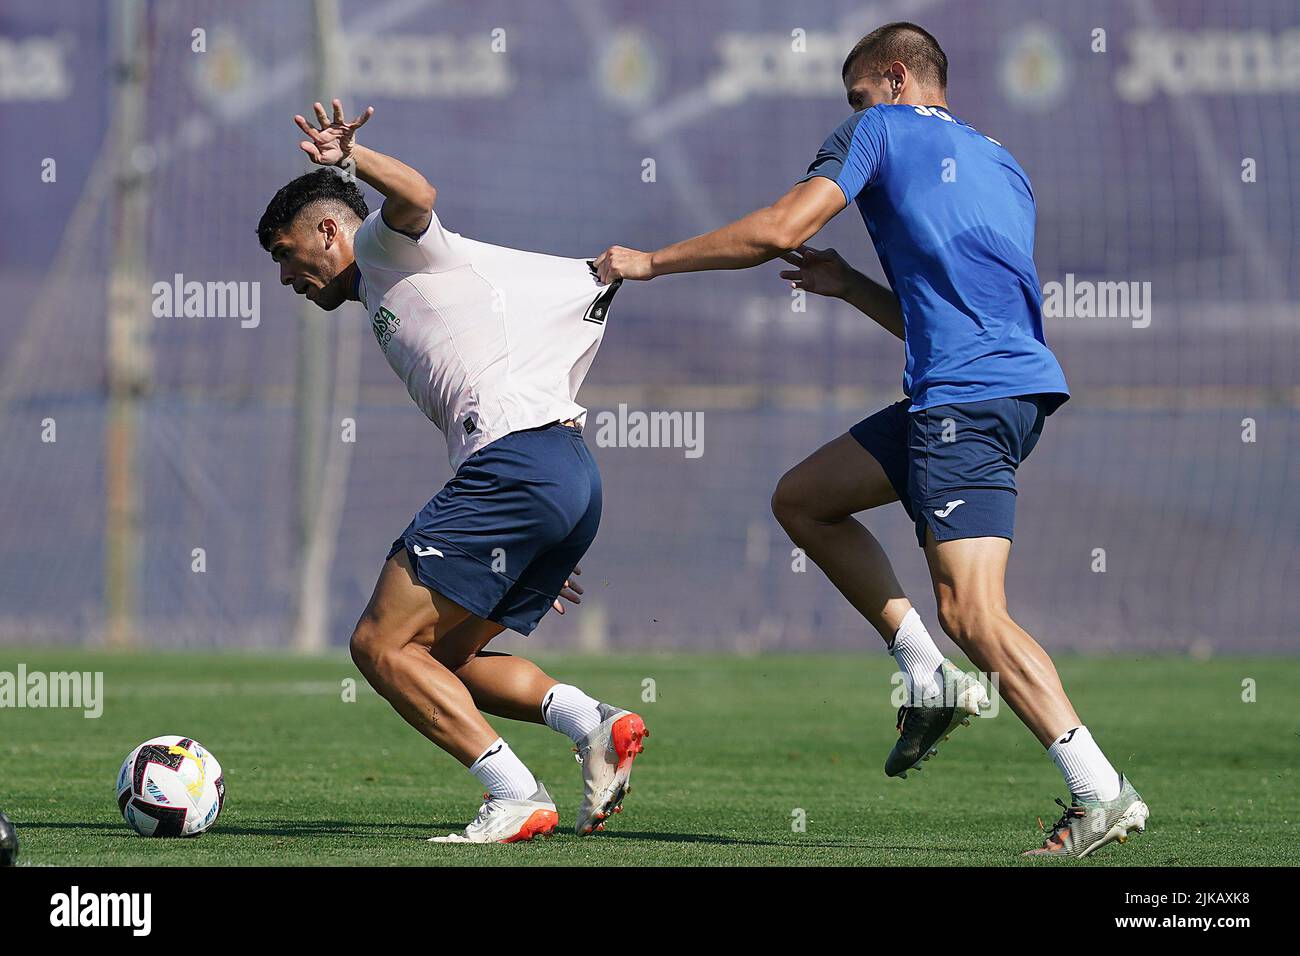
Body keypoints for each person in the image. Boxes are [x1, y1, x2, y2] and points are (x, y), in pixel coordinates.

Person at [594, 23, 1147, 857]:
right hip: (1004, 388)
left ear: (895, 78)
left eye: (855, 96)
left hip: (962, 400)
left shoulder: (880, 128)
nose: (848, 113)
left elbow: (780, 228)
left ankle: (1098, 790)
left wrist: (651, 261)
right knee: (805, 500)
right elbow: (947, 317)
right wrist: (851, 285)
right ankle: (926, 676)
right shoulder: (1004, 164)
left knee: (973, 612)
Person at [258, 99, 647, 843]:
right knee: (440, 658)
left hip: (518, 466)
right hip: (565, 477)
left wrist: (348, 159)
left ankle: (515, 792)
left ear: (331, 231)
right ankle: (595, 723)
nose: (284, 278)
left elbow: (419, 197)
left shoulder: (381, 248)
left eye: (284, 252)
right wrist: (525, 534)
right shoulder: (393, 286)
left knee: (377, 646)